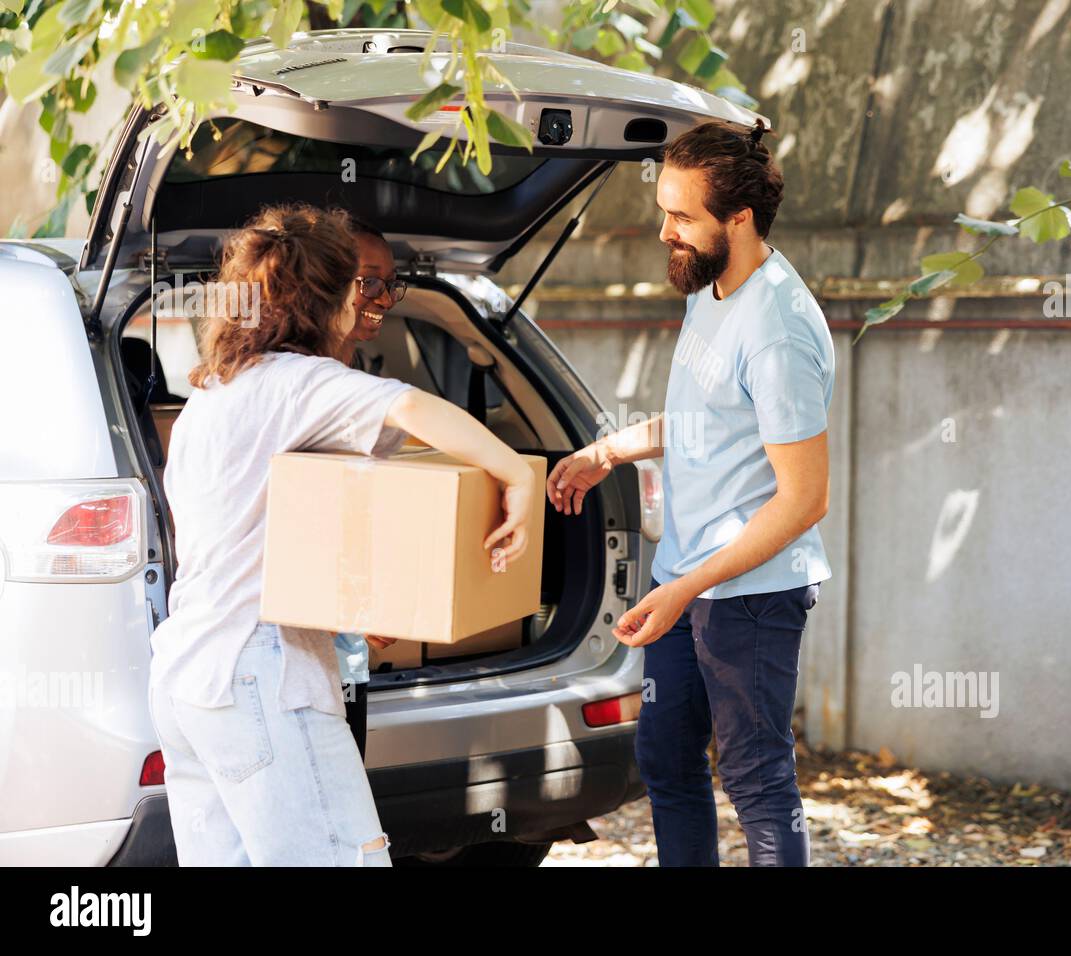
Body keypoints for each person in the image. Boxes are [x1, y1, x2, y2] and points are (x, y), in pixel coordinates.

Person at [146, 203, 535, 866]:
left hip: (187, 677)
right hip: (259, 679)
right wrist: (516, 478)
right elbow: (413, 407)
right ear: (328, 302)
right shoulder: (302, 382)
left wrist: (349, 612)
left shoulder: (211, 394)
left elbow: (261, 537)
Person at [546, 120, 833, 866]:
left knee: (757, 780)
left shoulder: (778, 328)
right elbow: (708, 416)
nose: (664, 230)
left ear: (737, 218)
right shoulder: (710, 285)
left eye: (682, 216)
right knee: (667, 762)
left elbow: (804, 501)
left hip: (751, 594)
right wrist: (606, 451)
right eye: (664, 210)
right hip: (686, 578)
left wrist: (686, 590)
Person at [331, 213, 409, 760]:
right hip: (290, 660)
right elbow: (280, 522)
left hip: (344, 654)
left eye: (390, 283)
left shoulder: (355, 380)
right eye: (368, 280)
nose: (382, 296)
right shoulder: (291, 385)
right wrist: (351, 605)